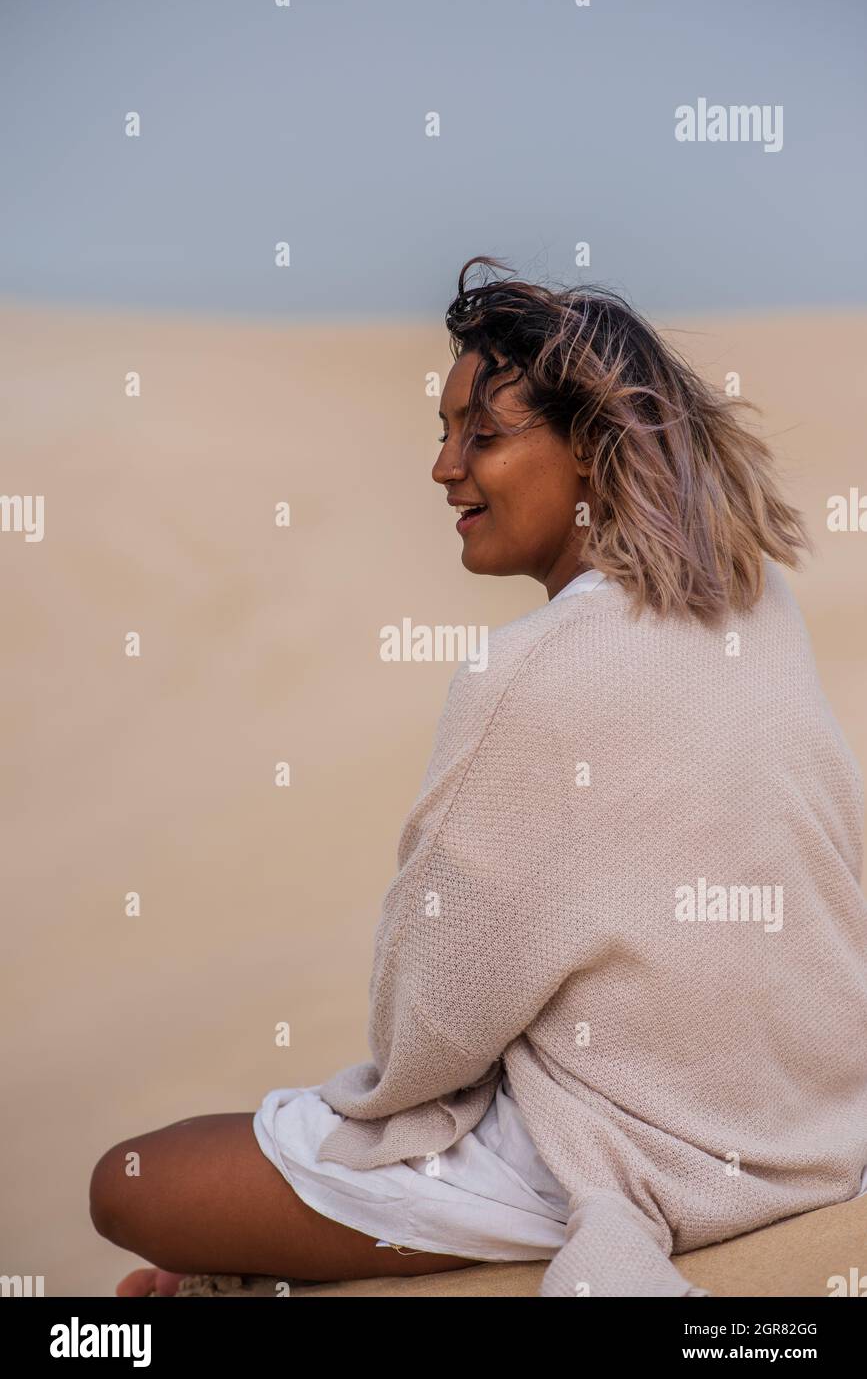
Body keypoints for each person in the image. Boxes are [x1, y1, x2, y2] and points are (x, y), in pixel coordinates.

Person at [90, 256, 867, 1298]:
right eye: (443, 432)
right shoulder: (751, 599)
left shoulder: (527, 672)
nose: (444, 467)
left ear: (592, 449)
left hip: (644, 1156)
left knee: (136, 1181)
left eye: (483, 436)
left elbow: (430, 1035)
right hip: (819, 1127)